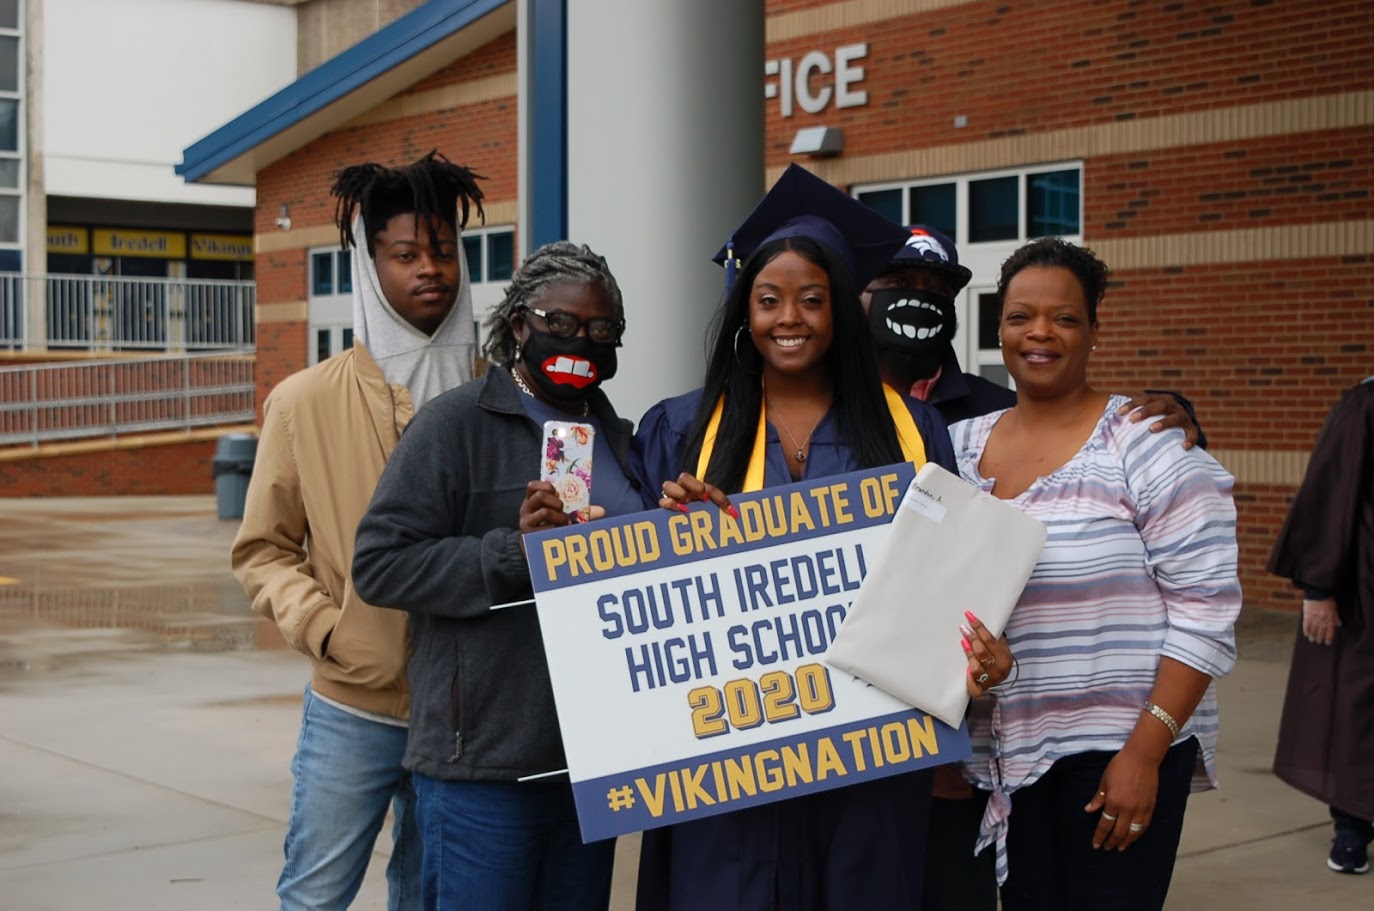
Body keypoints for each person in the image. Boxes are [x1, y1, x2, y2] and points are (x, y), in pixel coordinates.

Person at [634, 163, 1014, 911]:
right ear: (746, 309)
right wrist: (663, 534)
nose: (791, 318)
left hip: (866, 750)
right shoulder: (682, 427)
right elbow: (638, 608)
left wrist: (974, 661)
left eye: (813, 299)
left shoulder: (909, 426)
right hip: (731, 751)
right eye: (770, 299)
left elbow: (945, 581)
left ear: (842, 309)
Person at [351, 241, 652, 911]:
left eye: (601, 330)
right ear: (519, 323)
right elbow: (378, 562)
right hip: (483, 768)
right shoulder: (454, 426)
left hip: (590, 766)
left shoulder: (626, 442)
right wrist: (511, 554)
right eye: (561, 322)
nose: (579, 340)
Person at [949, 237, 1241, 910]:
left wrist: (1145, 754)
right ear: (999, 326)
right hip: (1003, 755)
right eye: (1021, 315)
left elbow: (1206, 611)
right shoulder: (961, 449)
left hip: (1117, 750)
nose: (1040, 332)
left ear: (1094, 330)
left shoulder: (1146, 444)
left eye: (1065, 318)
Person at [231, 151, 486, 911]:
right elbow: (262, 549)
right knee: (314, 896)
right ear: (369, 264)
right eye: (405, 254)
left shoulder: (497, 392)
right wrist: (326, 630)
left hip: (464, 712)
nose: (429, 268)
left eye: (442, 250)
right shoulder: (303, 401)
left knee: (427, 896)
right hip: (353, 703)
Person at [1268, 378, 1374, 876]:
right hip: (1367, 588)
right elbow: (1331, 494)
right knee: (1360, 711)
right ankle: (1352, 829)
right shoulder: (1365, 404)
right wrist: (1318, 588)